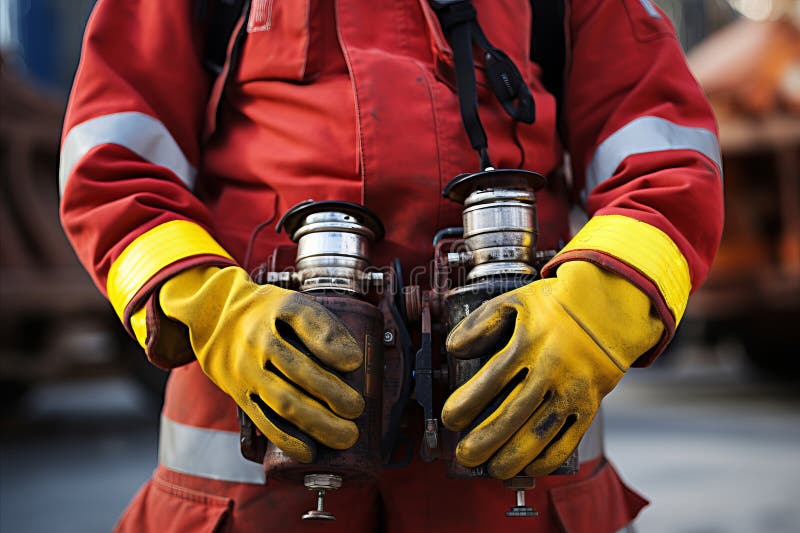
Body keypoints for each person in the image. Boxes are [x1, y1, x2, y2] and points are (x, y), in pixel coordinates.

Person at [59, 1, 723, 531]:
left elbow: (667, 158)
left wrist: (598, 307)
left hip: (517, 481)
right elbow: (114, 168)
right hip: (255, 489)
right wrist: (209, 308)